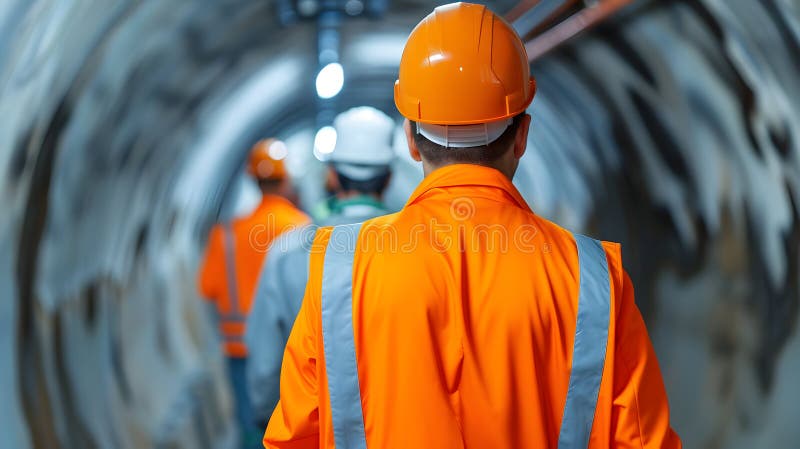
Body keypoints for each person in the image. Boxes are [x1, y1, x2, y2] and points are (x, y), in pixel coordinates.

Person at [263, 3, 681, 449]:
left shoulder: (338, 271)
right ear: (522, 136)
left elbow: (293, 438)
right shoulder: (595, 280)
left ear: (410, 139)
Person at [245, 106, 396, 425]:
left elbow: (266, 361)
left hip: (310, 429)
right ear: (389, 176)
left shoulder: (287, 252)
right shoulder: (421, 249)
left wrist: (265, 415)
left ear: (331, 174)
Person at [198, 139, 310, 447]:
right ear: (286, 179)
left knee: (251, 430)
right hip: (292, 352)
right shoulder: (304, 229)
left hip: (241, 352)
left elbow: (207, 287)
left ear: (252, 179)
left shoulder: (227, 235)